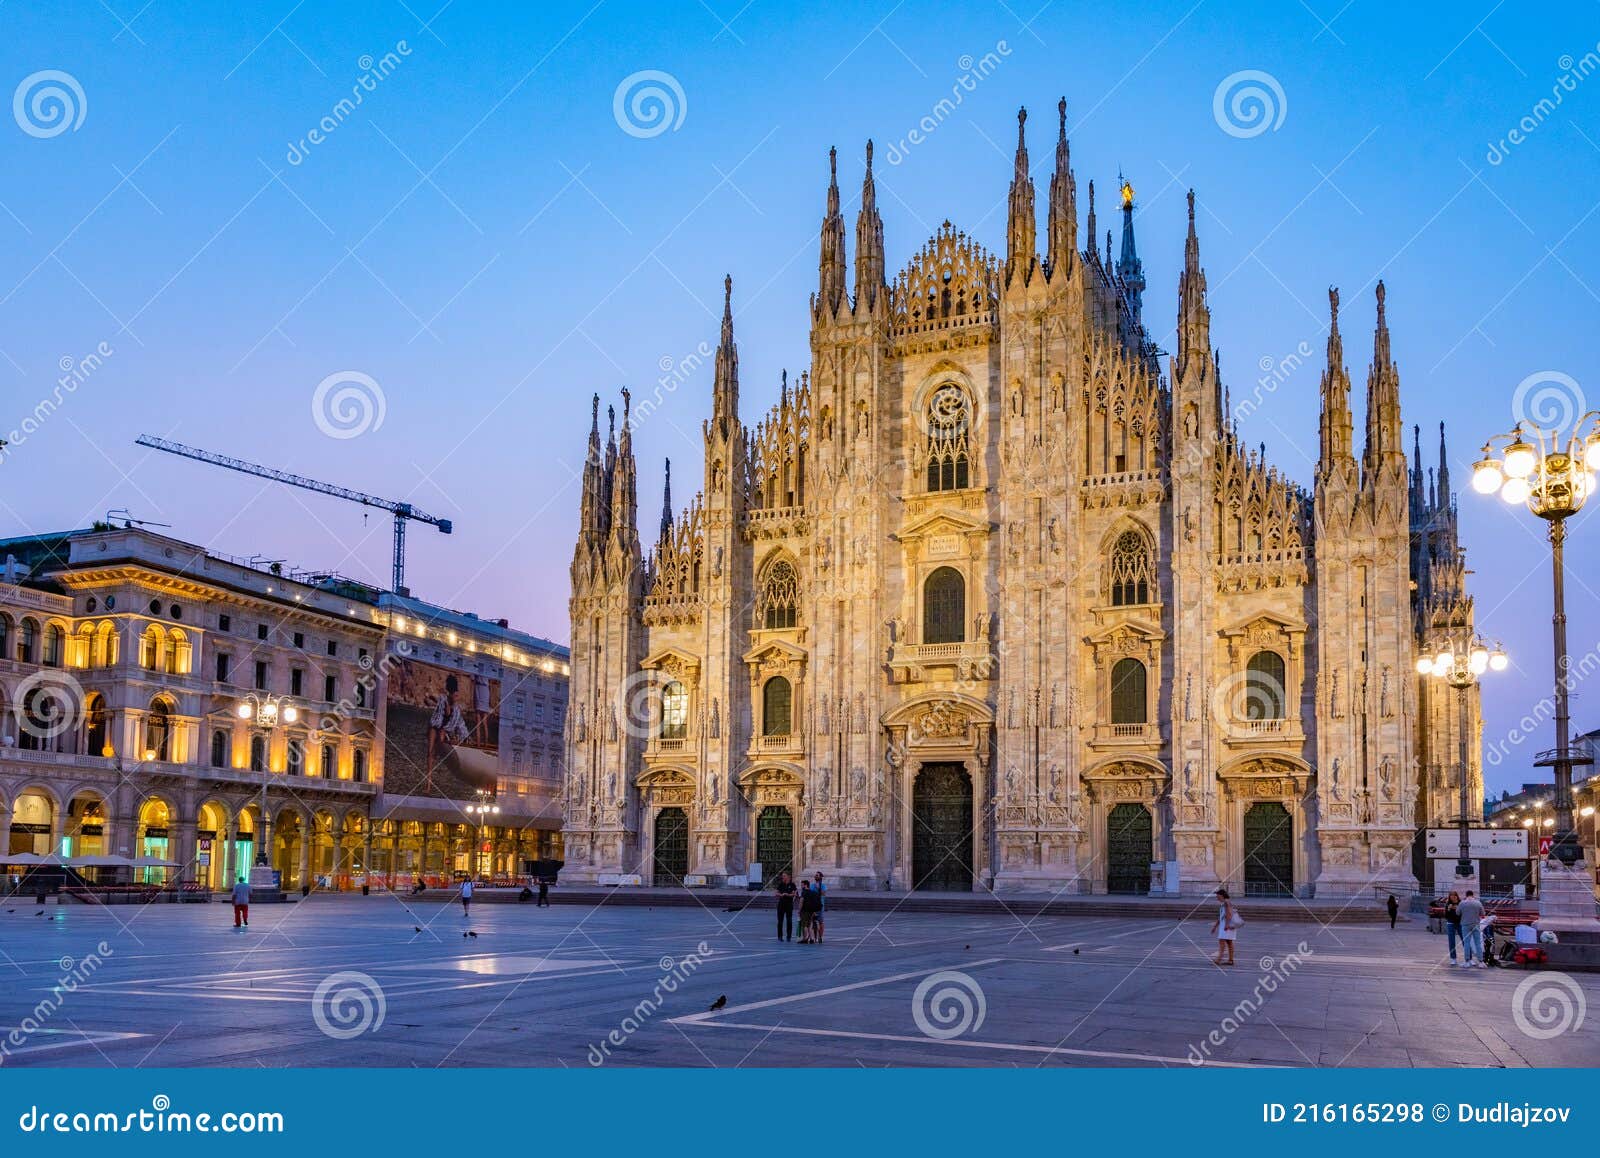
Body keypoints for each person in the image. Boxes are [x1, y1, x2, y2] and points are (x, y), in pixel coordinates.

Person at [1210, 888, 1240, 965]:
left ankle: (1219, 959)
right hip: (1226, 925)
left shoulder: (1226, 902)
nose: (1216, 897)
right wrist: (1215, 926)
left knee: (1222, 941)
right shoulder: (1223, 903)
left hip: (1227, 925)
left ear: (1221, 895)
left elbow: (1229, 914)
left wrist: (1226, 925)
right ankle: (1230, 960)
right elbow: (1221, 916)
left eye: (1217, 896)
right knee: (1229, 942)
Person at [1456, 890, 1485, 967]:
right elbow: (1483, 913)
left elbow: (1457, 913)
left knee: (1466, 943)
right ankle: (1481, 962)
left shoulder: (1462, 903)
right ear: (1473, 895)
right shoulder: (1478, 903)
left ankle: (1467, 961)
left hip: (1465, 924)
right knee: (1478, 943)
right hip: (1476, 925)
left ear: (1466, 895)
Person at [773, 870, 796, 942]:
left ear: (788, 877)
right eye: (782, 876)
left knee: (789, 921)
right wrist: (781, 895)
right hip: (781, 905)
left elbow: (794, 894)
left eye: (784, 876)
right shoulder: (781, 884)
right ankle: (780, 936)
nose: (783, 877)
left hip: (789, 904)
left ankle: (788, 936)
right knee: (780, 921)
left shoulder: (792, 885)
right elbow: (776, 893)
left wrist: (787, 894)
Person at [798, 880, 820, 944]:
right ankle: (812, 939)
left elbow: (801, 901)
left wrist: (799, 910)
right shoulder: (812, 892)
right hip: (811, 910)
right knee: (810, 925)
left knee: (804, 925)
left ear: (805, 885)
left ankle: (805, 938)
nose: (801, 886)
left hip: (805, 910)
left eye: (802, 885)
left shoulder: (804, 892)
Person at [1443, 890, 1462, 964]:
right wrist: (1448, 909)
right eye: (1451, 895)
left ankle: (1469, 958)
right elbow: (1446, 916)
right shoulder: (1448, 904)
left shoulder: (1460, 904)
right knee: (1451, 941)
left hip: (1460, 923)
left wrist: (1457, 909)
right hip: (1450, 923)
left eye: (1454, 895)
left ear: (1457, 896)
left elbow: (1462, 914)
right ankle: (1453, 958)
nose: (1453, 897)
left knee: (1464, 940)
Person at [811, 872, 827, 944]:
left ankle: (820, 937)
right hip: (813, 905)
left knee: (821, 922)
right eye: (815, 875)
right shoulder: (812, 885)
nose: (815, 876)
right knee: (814, 922)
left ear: (820, 877)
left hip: (820, 905)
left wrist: (818, 888)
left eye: (817, 875)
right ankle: (815, 937)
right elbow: (810, 893)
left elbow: (823, 894)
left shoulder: (823, 885)